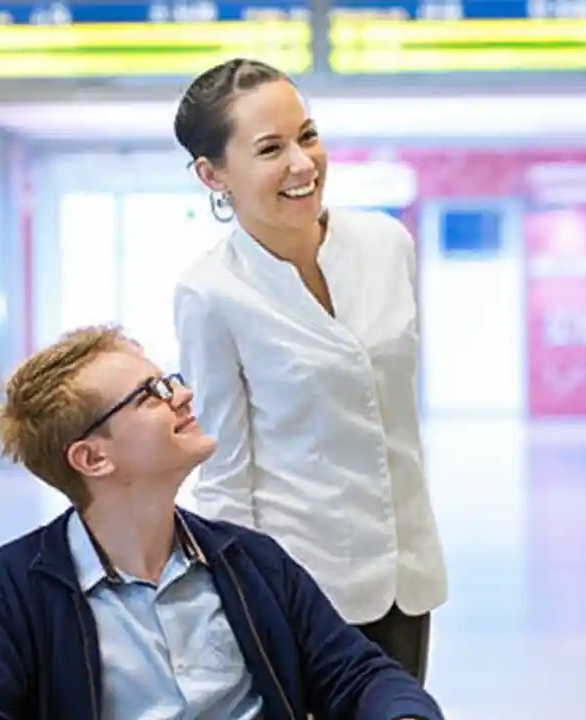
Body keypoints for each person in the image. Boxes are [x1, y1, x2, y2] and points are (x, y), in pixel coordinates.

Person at [0, 326, 443, 720]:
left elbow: (359, 675)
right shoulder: (21, 583)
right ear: (93, 459)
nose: (183, 395)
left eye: (169, 381)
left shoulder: (251, 562)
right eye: (151, 395)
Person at [170, 59, 447, 682]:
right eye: (271, 149)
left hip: (406, 575)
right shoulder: (211, 293)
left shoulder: (386, 245)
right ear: (213, 175)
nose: (302, 164)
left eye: (309, 136)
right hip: (299, 587)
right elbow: (225, 470)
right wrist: (236, 603)